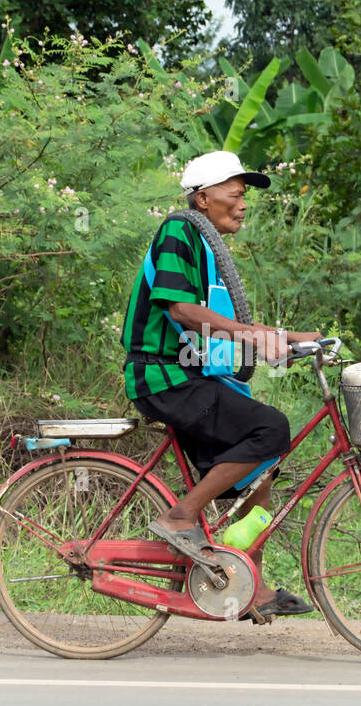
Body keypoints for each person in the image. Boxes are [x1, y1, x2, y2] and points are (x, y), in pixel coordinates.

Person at [121, 151, 320, 620]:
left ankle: (251, 588)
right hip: (165, 377)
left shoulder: (207, 245)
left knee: (260, 471)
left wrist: (292, 339)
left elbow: (221, 325)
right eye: (236, 192)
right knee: (271, 429)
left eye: (244, 194)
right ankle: (179, 516)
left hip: (193, 377)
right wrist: (257, 336)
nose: (243, 203)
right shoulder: (179, 230)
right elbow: (181, 311)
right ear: (204, 198)